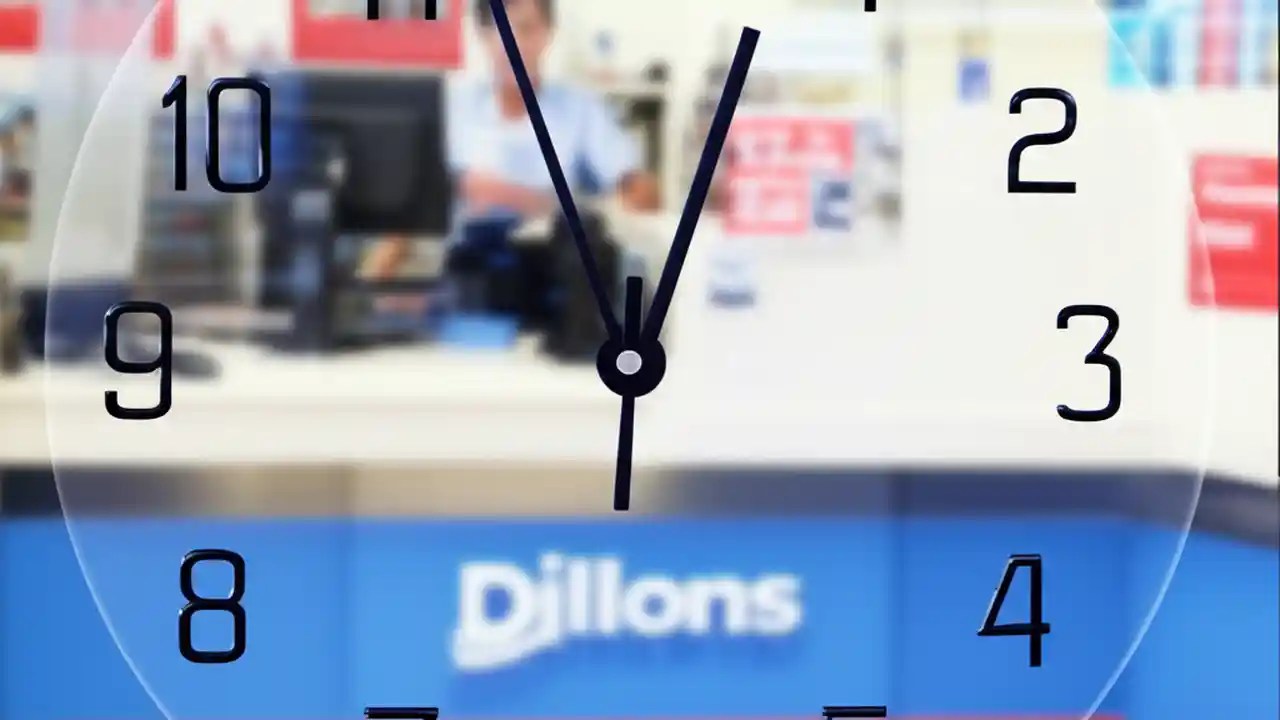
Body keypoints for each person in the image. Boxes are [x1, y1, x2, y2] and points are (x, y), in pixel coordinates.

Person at [361, 0, 659, 280]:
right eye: (502, 31)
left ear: (547, 34)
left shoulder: (580, 110)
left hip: (552, 275)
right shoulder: (455, 108)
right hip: (464, 276)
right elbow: (408, 214)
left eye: (527, 29)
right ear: (483, 35)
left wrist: (524, 200)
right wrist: (371, 287)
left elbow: (642, 193)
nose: (514, 45)